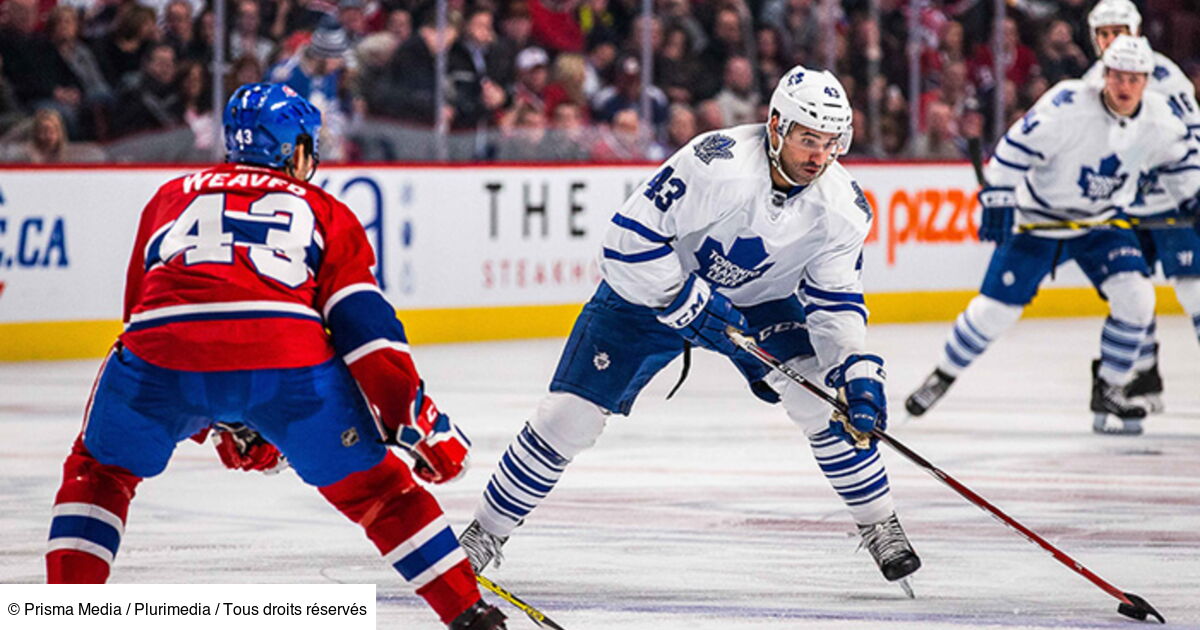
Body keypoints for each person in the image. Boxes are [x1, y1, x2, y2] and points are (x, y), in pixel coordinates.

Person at [43, 83, 506, 630]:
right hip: (288, 369)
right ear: (295, 151)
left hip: (160, 362)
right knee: (381, 492)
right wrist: (416, 421)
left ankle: (63, 617)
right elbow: (366, 331)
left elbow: (151, 316)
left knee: (100, 472)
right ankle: (470, 616)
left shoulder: (169, 196)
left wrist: (226, 419)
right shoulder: (324, 209)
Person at [458, 66, 922, 593]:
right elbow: (626, 244)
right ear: (775, 127)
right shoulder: (717, 163)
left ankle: (880, 521)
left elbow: (834, 303)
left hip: (760, 305)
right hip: (650, 295)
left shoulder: (843, 208)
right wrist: (685, 300)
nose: (818, 156)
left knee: (824, 399)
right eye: (807, 139)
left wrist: (854, 368)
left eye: (830, 143)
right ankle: (484, 533)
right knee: (568, 417)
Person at [903, 36, 1200, 435]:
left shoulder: (1160, 120)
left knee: (1137, 297)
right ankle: (943, 375)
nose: (1125, 86)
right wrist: (999, 198)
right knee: (995, 312)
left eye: (1134, 78)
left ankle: (1110, 386)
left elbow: (1180, 164)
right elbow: (1014, 147)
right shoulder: (1068, 106)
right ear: (1105, 76)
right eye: (1117, 77)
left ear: (1146, 81)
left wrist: (1192, 201)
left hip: (1102, 224)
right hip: (1039, 219)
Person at [1078, 0, 1200, 414]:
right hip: (1125, 206)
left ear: (1138, 30)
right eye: (1104, 34)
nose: (1113, 40)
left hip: (1173, 202)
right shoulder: (1093, 81)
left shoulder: (1164, 75)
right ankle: (1144, 375)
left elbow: (1194, 136)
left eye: (1119, 31)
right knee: (1131, 294)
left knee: (1195, 291)